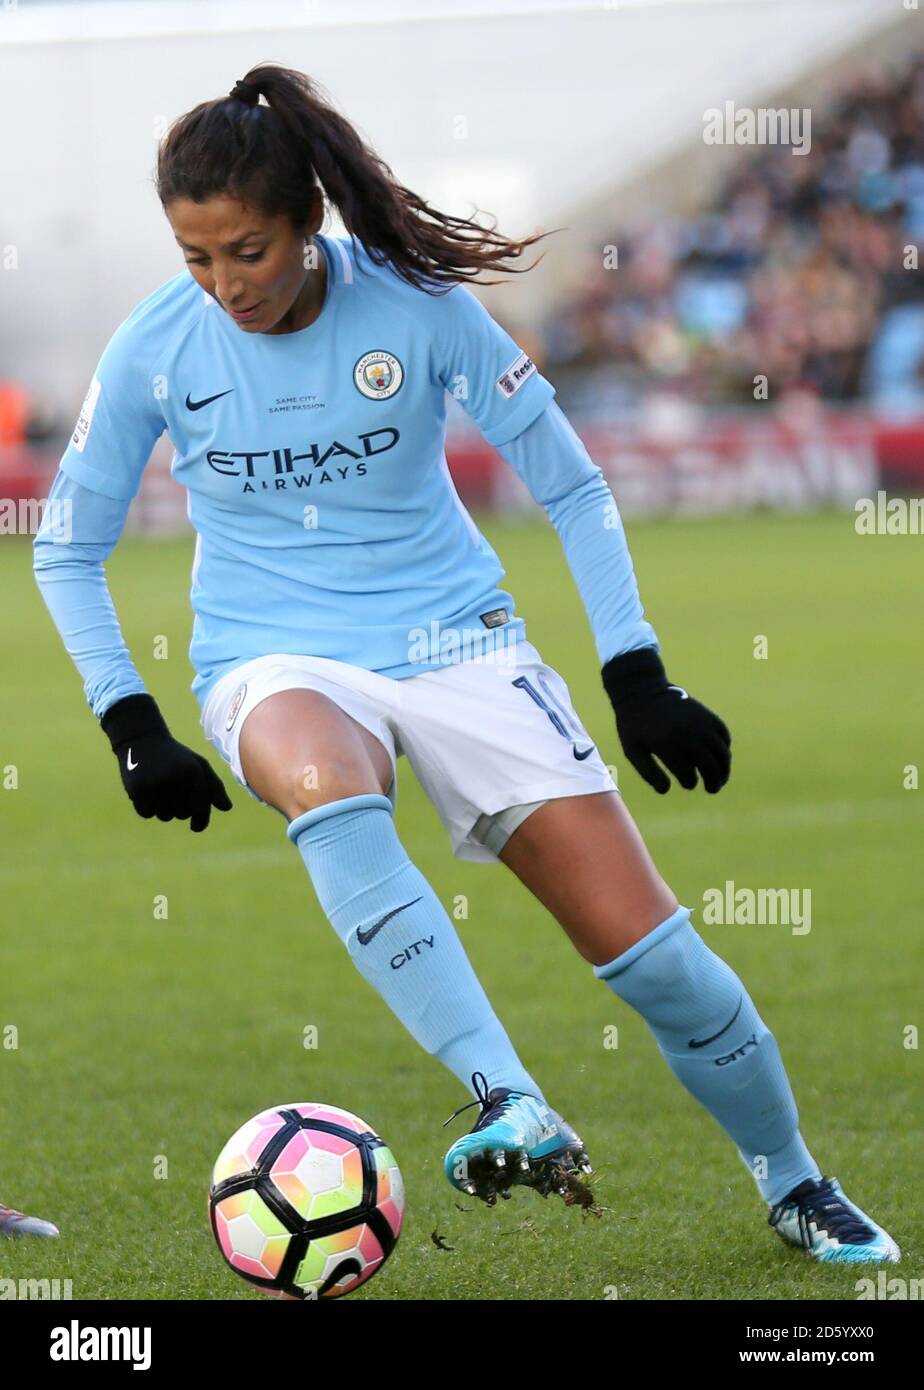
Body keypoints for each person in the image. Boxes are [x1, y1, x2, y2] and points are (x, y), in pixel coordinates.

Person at [33, 65, 898, 1266]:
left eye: (248, 251)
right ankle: (508, 1096)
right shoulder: (153, 350)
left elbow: (572, 484)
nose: (224, 285)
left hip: (459, 646)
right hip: (273, 655)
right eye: (196, 258)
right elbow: (64, 549)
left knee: (665, 971)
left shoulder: (419, 309)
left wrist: (635, 671)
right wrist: (130, 717)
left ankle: (796, 1181)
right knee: (329, 782)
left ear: (308, 223)